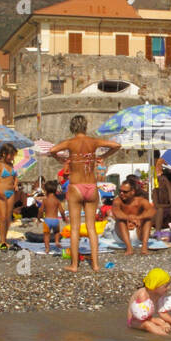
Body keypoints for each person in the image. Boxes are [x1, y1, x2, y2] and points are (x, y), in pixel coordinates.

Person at [49, 116, 122, 273]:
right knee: (91, 228)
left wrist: (62, 160)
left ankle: (74, 265)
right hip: (91, 186)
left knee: (74, 228)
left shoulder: (70, 143)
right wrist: (102, 157)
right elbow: (116, 145)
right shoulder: (93, 142)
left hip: (76, 186)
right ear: (85, 126)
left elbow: (52, 150)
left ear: (72, 127)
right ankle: (95, 265)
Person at [126, 267, 171, 335]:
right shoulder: (143, 295)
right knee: (148, 325)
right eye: (165, 286)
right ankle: (168, 336)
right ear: (155, 286)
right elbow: (141, 317)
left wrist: (170, 320)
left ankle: (166, 328)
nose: (169, 288)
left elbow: (162, 312)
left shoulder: (157, 294)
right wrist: (159, 323)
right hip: (135, 321)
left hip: (148, 318)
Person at [112, 179, 158, 255]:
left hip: (138, 232)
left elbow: (152, 211)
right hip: (121, 234)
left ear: (132, 192)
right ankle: (129, 248)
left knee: (148, 219)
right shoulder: (117, 201)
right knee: (120, 220)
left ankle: (144, 247)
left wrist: (139, 218)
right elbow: (117, 213)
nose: (121, 193)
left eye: (125, 192)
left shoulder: (141, 201)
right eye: (120, 191)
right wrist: (130, 218)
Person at [38, 180, 63, 252]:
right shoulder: (57, 200)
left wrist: (39, 218)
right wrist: (64, 218)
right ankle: (57, 241)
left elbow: (41, 210)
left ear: (46, 191)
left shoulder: (45, 200)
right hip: (55, 220)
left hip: (47, 220)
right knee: (57, 232)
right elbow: (61, 211)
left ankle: (47, 248)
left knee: (46, 235)